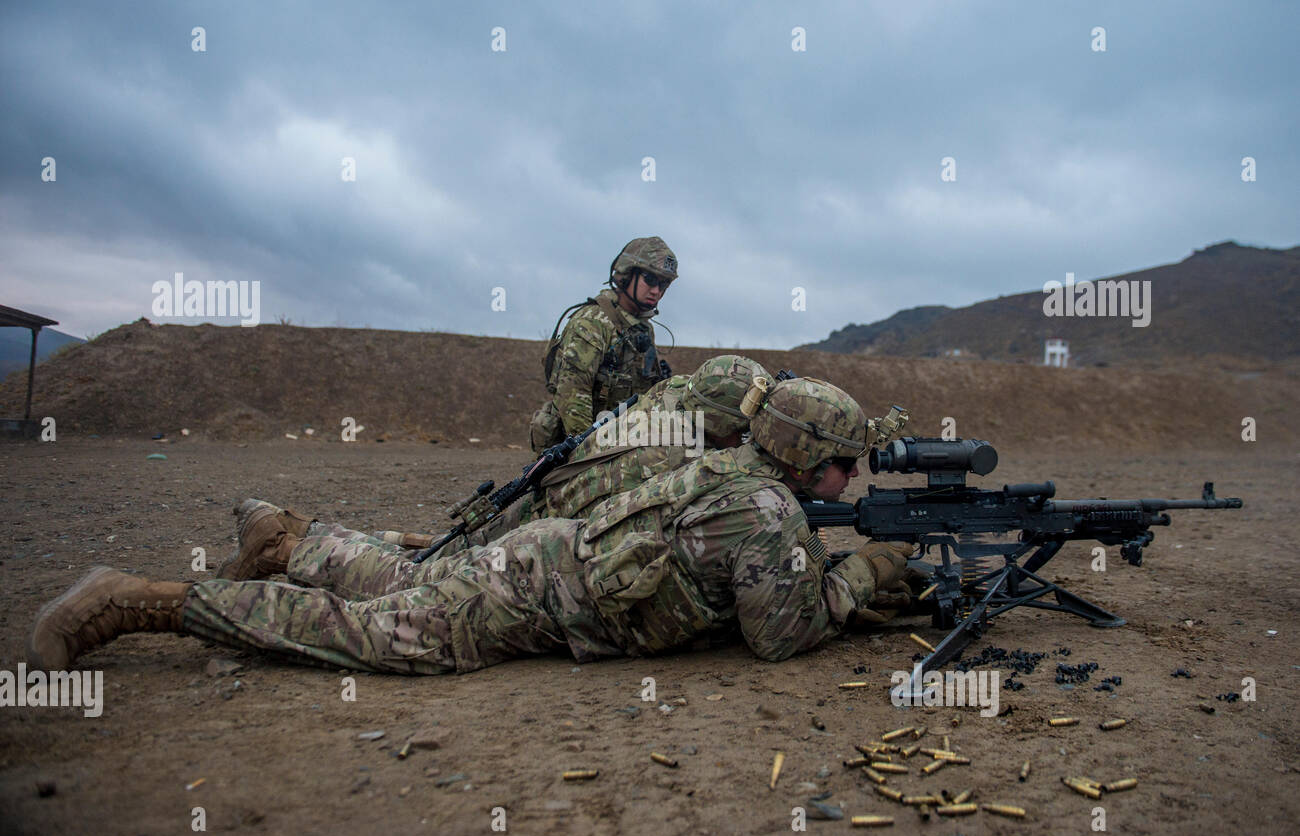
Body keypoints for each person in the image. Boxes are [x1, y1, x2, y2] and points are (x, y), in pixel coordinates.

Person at [29, 377, 915, 675]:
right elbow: (782, 633)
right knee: (377, 639)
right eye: (847, 463)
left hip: (538, 558)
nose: (852, 478)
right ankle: (136, 603)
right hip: (534, 600)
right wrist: (869, 571)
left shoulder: (738, 468)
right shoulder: (764, 509)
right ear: (808, 459)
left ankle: (291, 539)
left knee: (407, 578)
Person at [370, 354, 769, 558]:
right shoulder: (679, 459)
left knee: (459, 548)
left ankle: (372, 543)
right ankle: (332, 548)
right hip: (551, 525)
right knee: (443, 564)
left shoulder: (674, 396)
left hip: (556, 492)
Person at [529, 237, 678, 452]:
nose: (656, 290)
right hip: (579, 446)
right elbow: (572, 396)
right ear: (628, 275)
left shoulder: (642, 328)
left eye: (663, 284)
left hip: (621, 441)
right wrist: (588, 454)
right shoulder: (593, 322)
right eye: (650, 279)